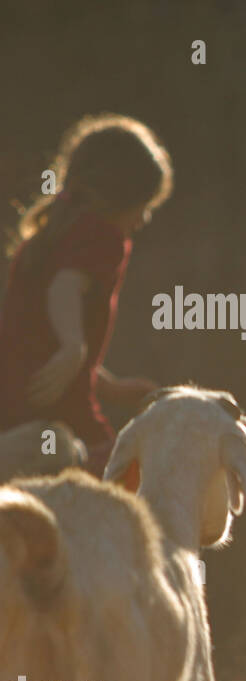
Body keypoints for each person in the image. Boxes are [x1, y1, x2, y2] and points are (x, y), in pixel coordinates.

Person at [0, 113, 173, 478]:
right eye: (143, 206)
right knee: (132, 480)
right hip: (59, 413)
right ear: (119, 196)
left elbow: (36, 339)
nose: (143, 220)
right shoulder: (102, 235)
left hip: (12, 406)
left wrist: (109, 385)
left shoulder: (47, 237)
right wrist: (73, 346)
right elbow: (64, 287)